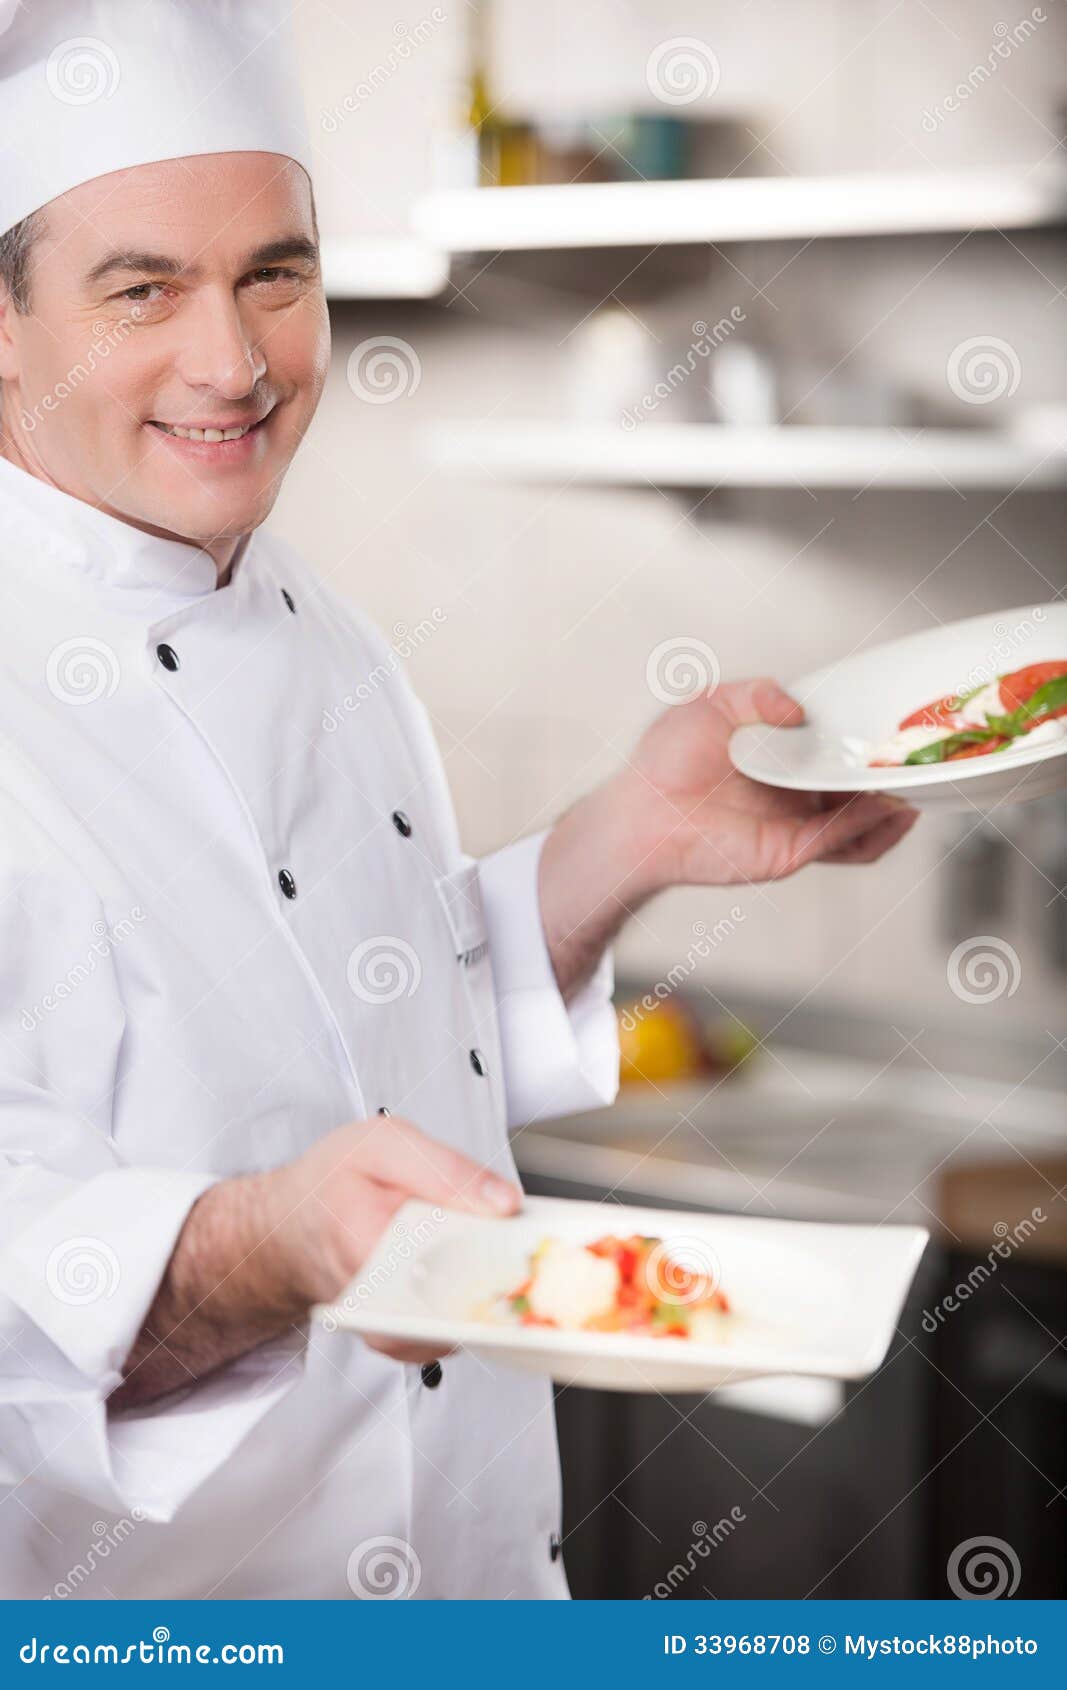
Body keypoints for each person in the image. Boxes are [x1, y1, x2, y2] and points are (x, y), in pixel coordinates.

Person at [0, 1, 917, 1600]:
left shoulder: (329, 637)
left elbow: (362, 1010)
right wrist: (266, 1244)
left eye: (275, 274)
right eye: (141, 288)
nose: (231, 361)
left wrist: (618, 845)